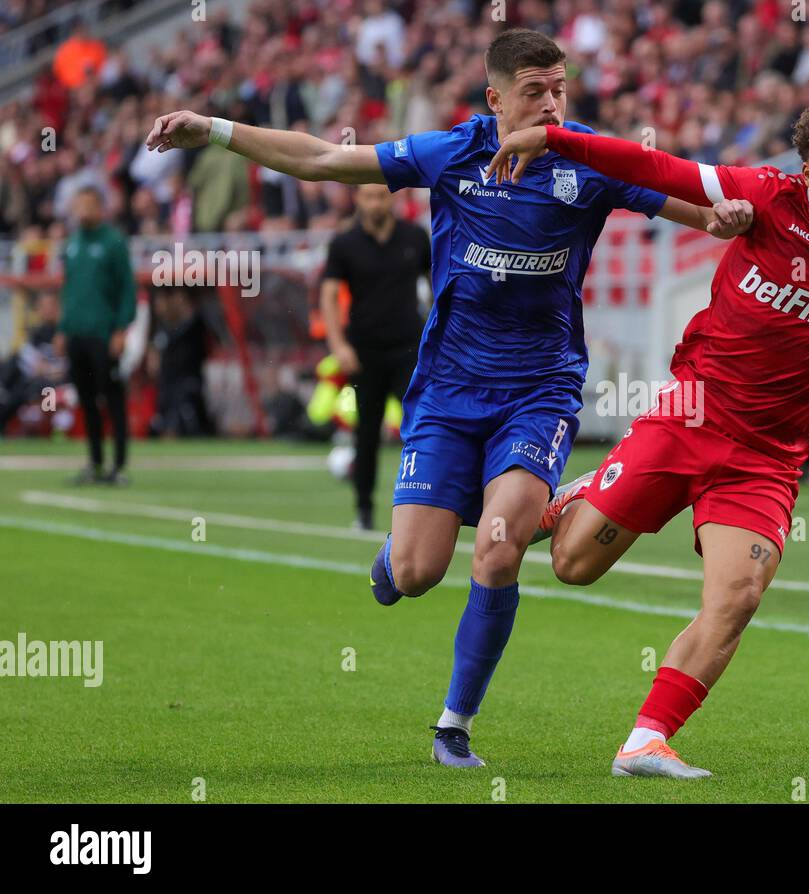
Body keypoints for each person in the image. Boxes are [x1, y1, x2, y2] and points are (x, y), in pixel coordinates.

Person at [145, 27, 751, 769]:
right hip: (448, 390)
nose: (553, 102)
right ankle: (402, 556)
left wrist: (727, 217)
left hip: (540, 389)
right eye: (536, 91)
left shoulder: (589, 160)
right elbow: (326, 159)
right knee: (418, 572)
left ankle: (453, 726)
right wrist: (216, 130)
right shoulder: (453, 153)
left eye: (560, 87)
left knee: (498, 552)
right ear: (497, 99)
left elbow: (694, 205)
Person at [489, 97, 809, 778]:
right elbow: (653, 165)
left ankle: (646, 739)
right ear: (808, 173)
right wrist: (554, 139)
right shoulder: (763, 199)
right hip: (691, 418)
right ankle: (580, 495)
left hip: (768, 460)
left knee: (737, 596)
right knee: (573, 566)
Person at [319, 183, 430, 530]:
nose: (375, 202)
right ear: (357, 199)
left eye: (381, 195)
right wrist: (339, 345)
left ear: (392, 198)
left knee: (423, 426)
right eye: (368, 196)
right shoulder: (344, 244)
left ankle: (429, 504)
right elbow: (328, 294)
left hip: (409, 348)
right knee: (366, 433)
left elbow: (439, 284)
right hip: (364, 352)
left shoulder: (414, 237)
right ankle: (364, 509)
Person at [56, 185, 136, 485]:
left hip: (103, 335)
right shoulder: (73, 244)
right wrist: (63, 329)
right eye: (80, 204)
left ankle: (119, 465)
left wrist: (120, 328)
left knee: (113, 399)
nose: (84, 210)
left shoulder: (113, 243)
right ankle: (94, 461)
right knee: (87, 401)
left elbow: (126, 290)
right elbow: (69, 290)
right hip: (77, 334)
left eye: (90, 204)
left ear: (101, 208)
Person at [147, 287, 213, 438]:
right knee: (161, 426)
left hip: (185, 386)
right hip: (166, 387)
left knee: (177, 427)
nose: (158, 305)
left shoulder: (194, 325)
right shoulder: (162, 329)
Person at [0, 292, 65, 433]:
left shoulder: (66, 332)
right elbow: (27, 357)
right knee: (11, 366)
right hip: (36, 377)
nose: (47, 310)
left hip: (57, 381)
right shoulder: (38, 332)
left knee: (33, 387)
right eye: (43, 306)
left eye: (51, 306)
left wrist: (47, 369)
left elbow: (68, 365)